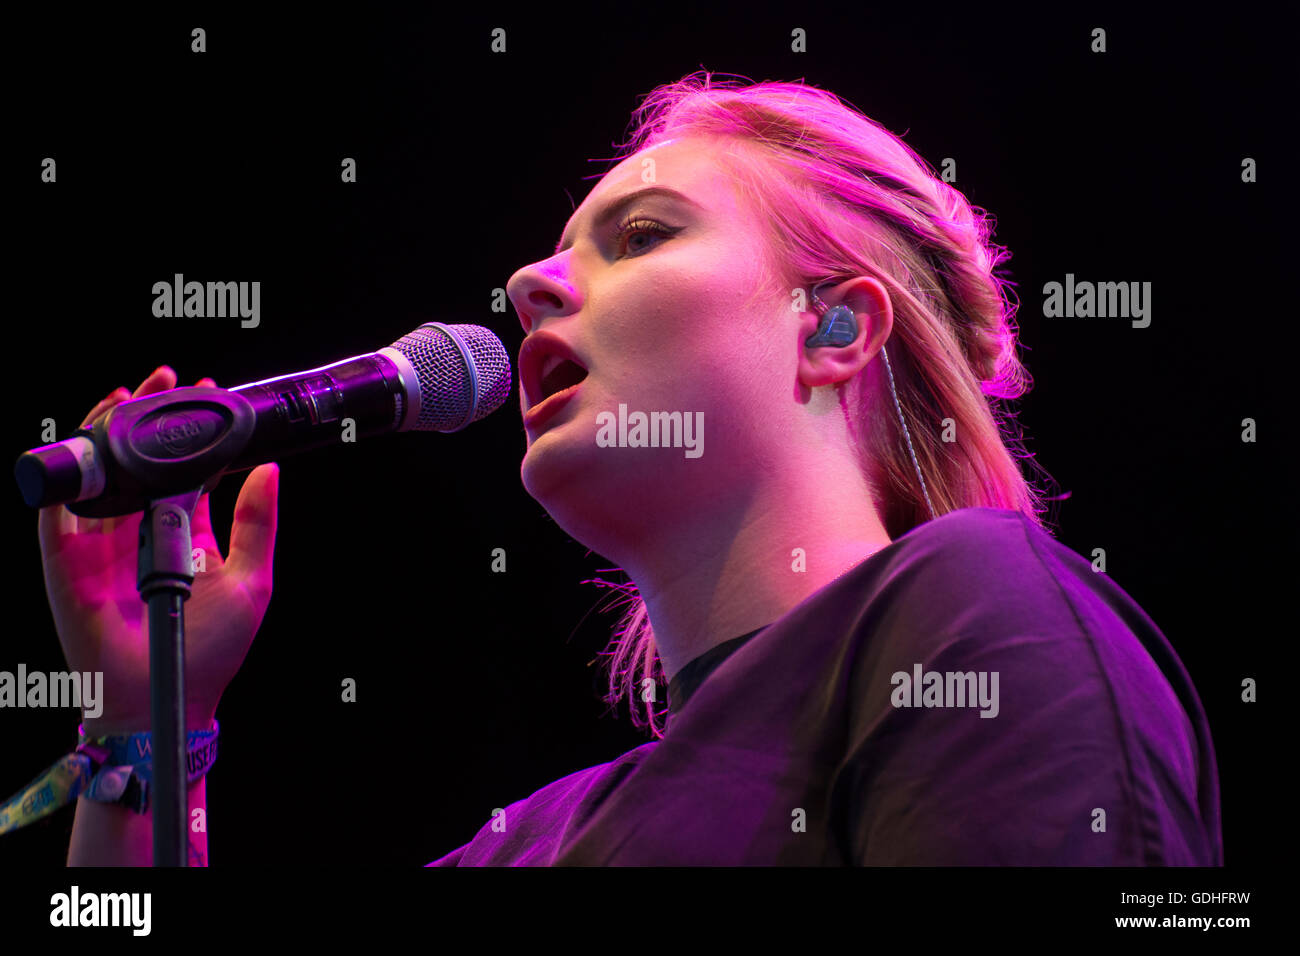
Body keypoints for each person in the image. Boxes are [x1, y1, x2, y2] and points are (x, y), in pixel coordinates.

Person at [29, 72, 1221, 865]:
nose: (530, 286)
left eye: (642, 237)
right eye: (549, 256)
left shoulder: (974, 613)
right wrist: (140, 731)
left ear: (833, 330)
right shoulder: (525, 838)